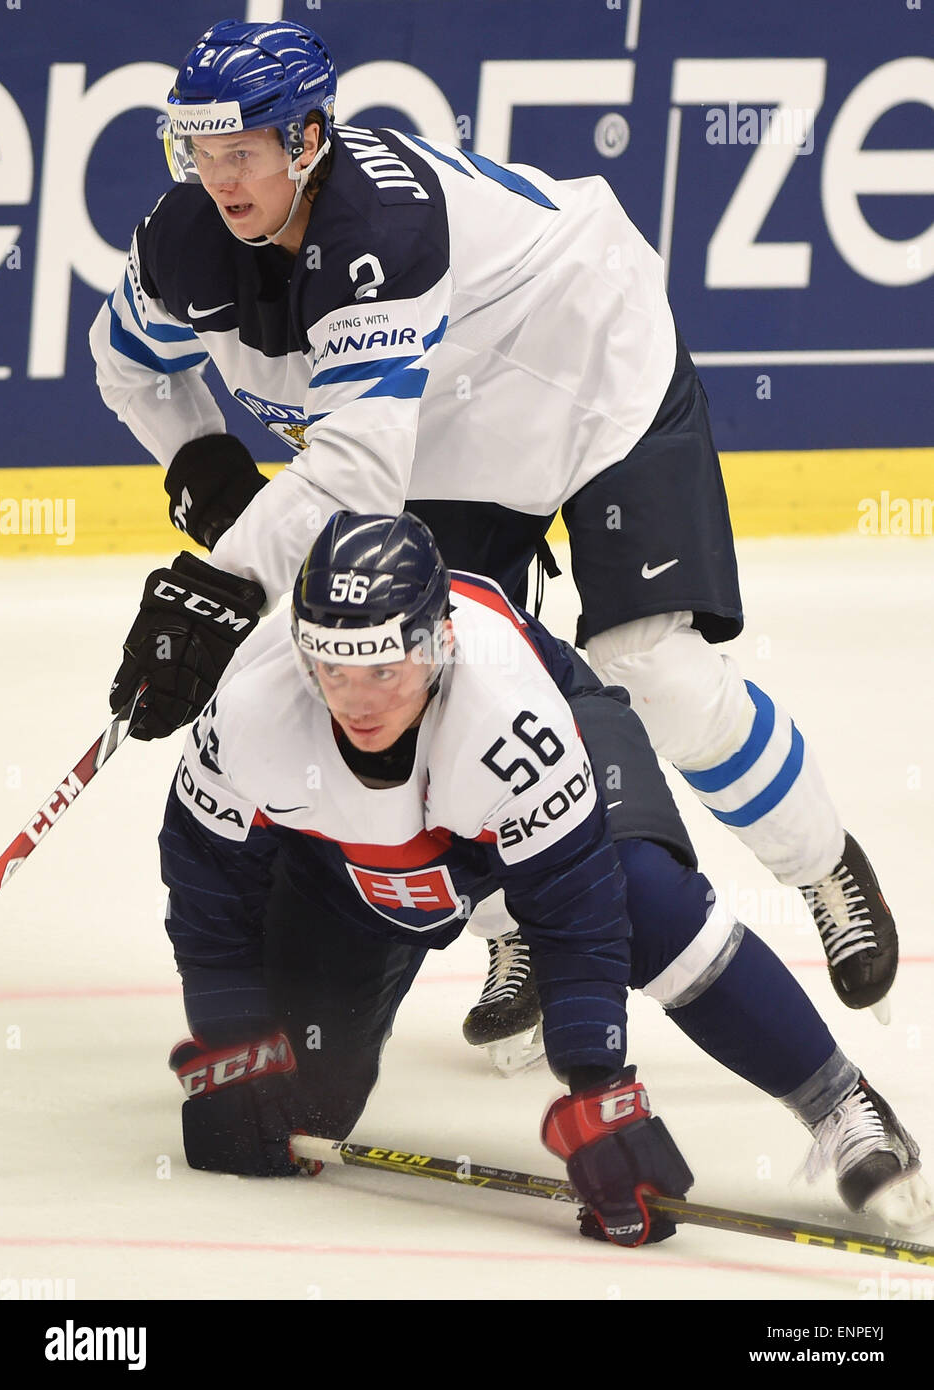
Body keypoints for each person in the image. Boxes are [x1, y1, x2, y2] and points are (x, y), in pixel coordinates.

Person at [94, 19, 897, 1062]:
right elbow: (128, 363)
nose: (220, 179)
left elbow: (354, 476)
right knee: (426, 684)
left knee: (652, 670)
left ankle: (821, 861)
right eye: (197, 154)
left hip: (593, 378)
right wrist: (197, 461)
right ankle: (510, 923)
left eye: (241, 150)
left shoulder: (380, 223)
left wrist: (217, 581)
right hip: (441, 442)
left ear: (308, 140)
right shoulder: (184, 239)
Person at [160, 510, 930, 1246]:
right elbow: (208, 877)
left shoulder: (508, 718)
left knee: (642, 897)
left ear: (436, 646)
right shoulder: (253, 713)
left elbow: (578, 913)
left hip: (555, 754)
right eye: (331, 668)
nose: (355, 702)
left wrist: (597, 1095)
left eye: (384, 671)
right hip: (360, 850)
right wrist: (233, 1032)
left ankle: (839, 1105)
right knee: (292, 1113)